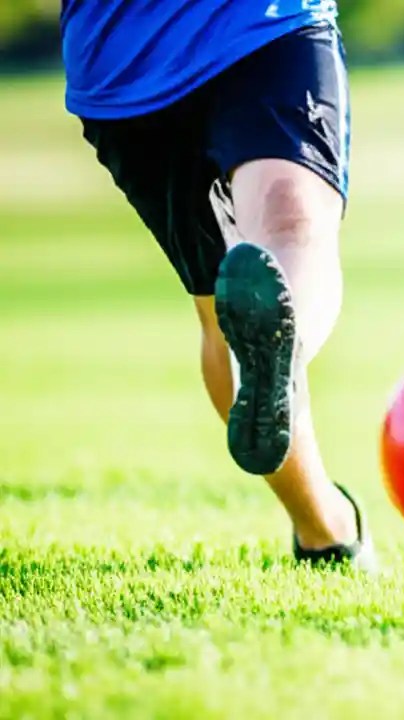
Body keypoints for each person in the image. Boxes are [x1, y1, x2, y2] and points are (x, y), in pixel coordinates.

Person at [61, 1, 375, 569]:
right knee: (272, 245)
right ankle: (321, 519)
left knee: (277, 236)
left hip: (251, 27)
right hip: (129, 60)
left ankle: (324, 527)